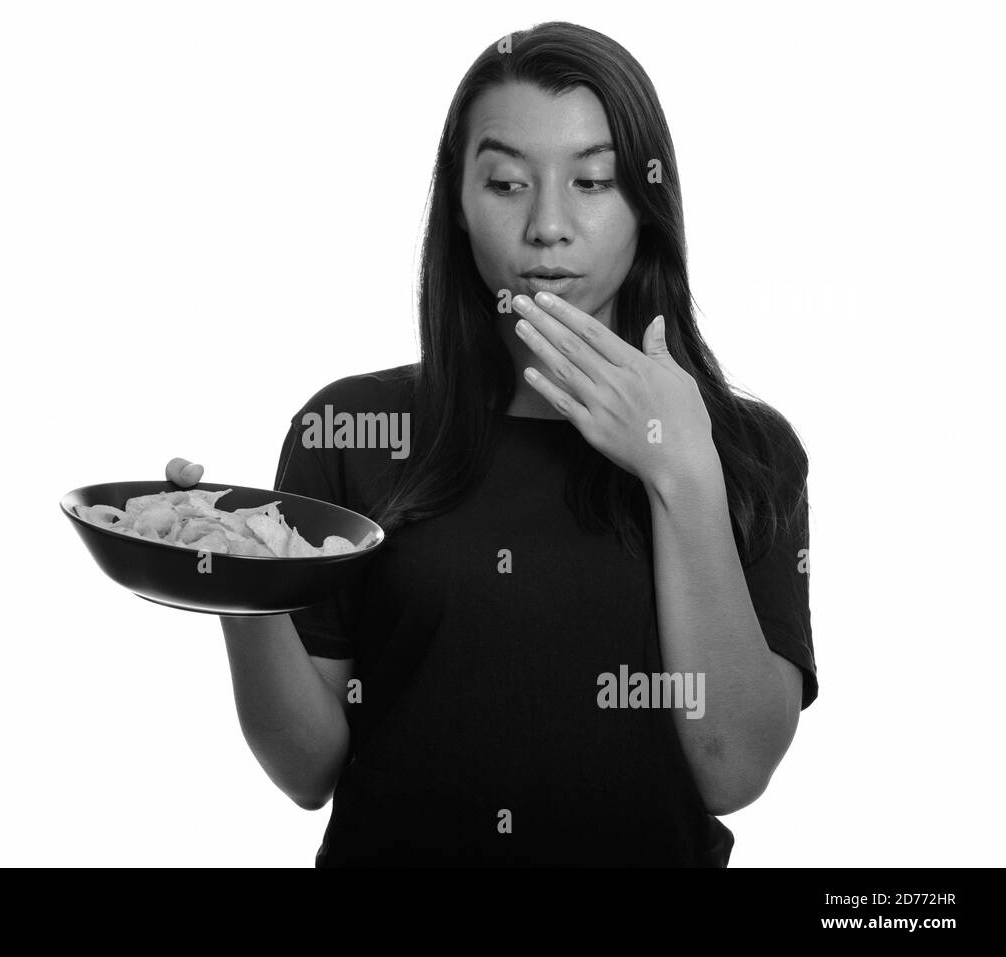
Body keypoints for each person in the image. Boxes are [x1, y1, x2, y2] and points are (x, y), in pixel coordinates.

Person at [177, 21, 816, 867]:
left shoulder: (748, 450)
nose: (549, 226)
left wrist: (680, 465)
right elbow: (308, 768)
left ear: (649, 201)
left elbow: (731, 768)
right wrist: (243, 585)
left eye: (593, 181)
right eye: (508, 182)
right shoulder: (349, 429)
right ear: (459, 201)